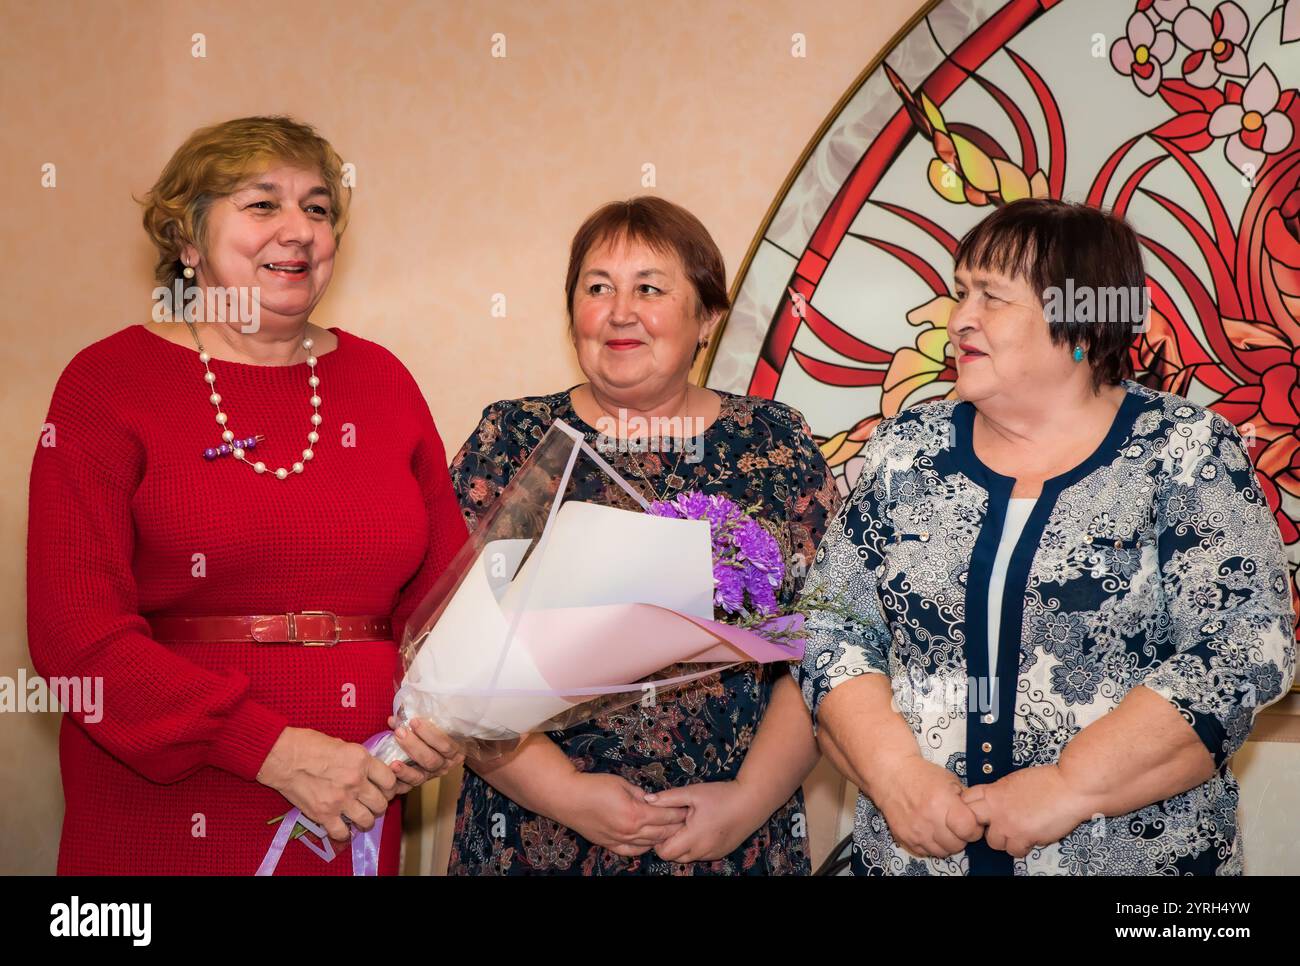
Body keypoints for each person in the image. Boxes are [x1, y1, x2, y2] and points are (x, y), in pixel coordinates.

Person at [795, 198, 1297, 875]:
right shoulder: (905, 450)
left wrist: (1071, 785)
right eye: (960, 292)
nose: (960, 318)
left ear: (1080, 320)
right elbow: (830, 626)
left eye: (992, 298)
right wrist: (893, 777)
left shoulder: (1184, 452)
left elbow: (1245, 646)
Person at [27, 115, 466, 874]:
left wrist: (444, 721)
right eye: (262, 204)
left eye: (319, 208)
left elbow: (451, 601)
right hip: (169, 803)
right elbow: (76, 643)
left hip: (357, 803)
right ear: (189, 241)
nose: (298, 230)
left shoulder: (384, 382)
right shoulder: (106, 385)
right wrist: (271, 751)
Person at [446, 196, 841, 874]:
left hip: (735, 834)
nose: (619, 311)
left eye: (649, 289)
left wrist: (748, 800)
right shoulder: (512, 439)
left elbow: (828, 652)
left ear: (708, 317)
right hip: (534, 832)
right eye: (598, 288)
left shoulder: (778, 443)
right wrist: (564, 793)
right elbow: (450, 653)